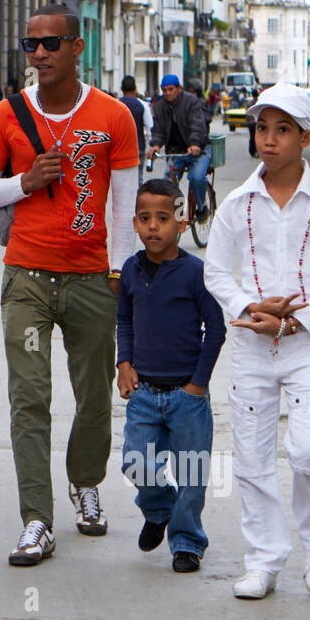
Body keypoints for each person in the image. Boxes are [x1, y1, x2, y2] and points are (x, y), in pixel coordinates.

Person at [0, 2, 140, 565]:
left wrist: (120, 273)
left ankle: (85, 483)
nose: (38, 54)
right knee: (29, 398)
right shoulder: (4, 117)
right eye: (30, 45)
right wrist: (25, 181)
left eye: (50, 44)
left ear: (76, 46)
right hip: (28, 279)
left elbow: (124, 206)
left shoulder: (114, 116)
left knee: (93, 396)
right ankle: (36, 519)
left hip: (93, 278)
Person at [203, 84, 310, 601]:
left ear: (306, 137)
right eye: (262, 128)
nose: (269, 140)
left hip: (306, 346)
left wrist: (293, 322)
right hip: (250, 344)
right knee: (251, 458)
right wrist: (250, 307)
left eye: (282, 129)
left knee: (309, 451)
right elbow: (217, 271)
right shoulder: (236, 203)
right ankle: (263, 561)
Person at [117, 177, 226, 573]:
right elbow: (125, 320)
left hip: (187, 397)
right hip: (144, 393)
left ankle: (187, 541)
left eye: (162, 218)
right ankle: (158, 509)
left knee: (192, 472)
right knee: (135, 463)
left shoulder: (197, 273)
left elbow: (216, 329)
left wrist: (197, 383)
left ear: (181, 222)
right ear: (134, 223)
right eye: (144, 218)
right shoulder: (130, 270)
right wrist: (123, 362)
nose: (152, 226)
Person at [148, 74, 211, 223]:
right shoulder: (160, 106)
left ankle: (201, 208)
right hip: (176, 151)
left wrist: (195, 144)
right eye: (164, 90)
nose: (168, 93)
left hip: (197, 149)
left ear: (179, 88)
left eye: (171, 89)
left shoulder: (191, 101)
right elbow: (158, 130)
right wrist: (155, 145)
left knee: (196, 178)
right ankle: (177, 215)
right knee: (167, 183)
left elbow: (198, 125)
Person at [119, 75, 148, 159]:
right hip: (138, 147)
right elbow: (150, 127)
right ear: (135, 88)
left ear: (121, 88)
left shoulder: (115, 104)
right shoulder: (143, 105)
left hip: (120, 149)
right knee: (139, 172)